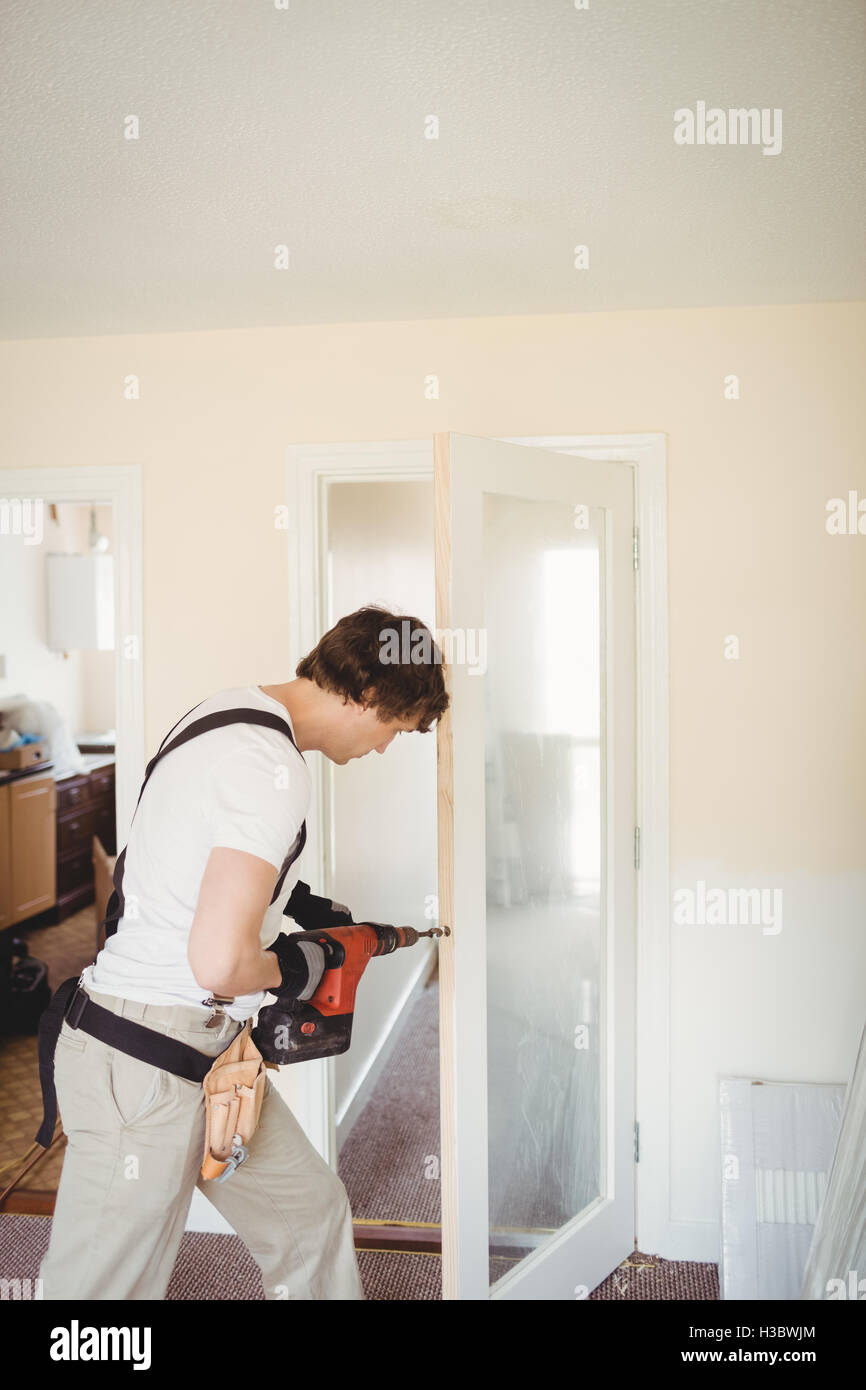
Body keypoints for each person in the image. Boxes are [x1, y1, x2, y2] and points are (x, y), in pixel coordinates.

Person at [37, 605, 449, 1301]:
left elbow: (191, 865)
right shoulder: (271, 769)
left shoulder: (228, 713)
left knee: (308, 1218)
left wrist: (298, 907)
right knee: (98, 1294)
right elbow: (221, 965)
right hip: (142, 1060)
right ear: (370, 696)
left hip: (211, 1053)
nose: (383, 748)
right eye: (394, 731)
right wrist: (301, 965)